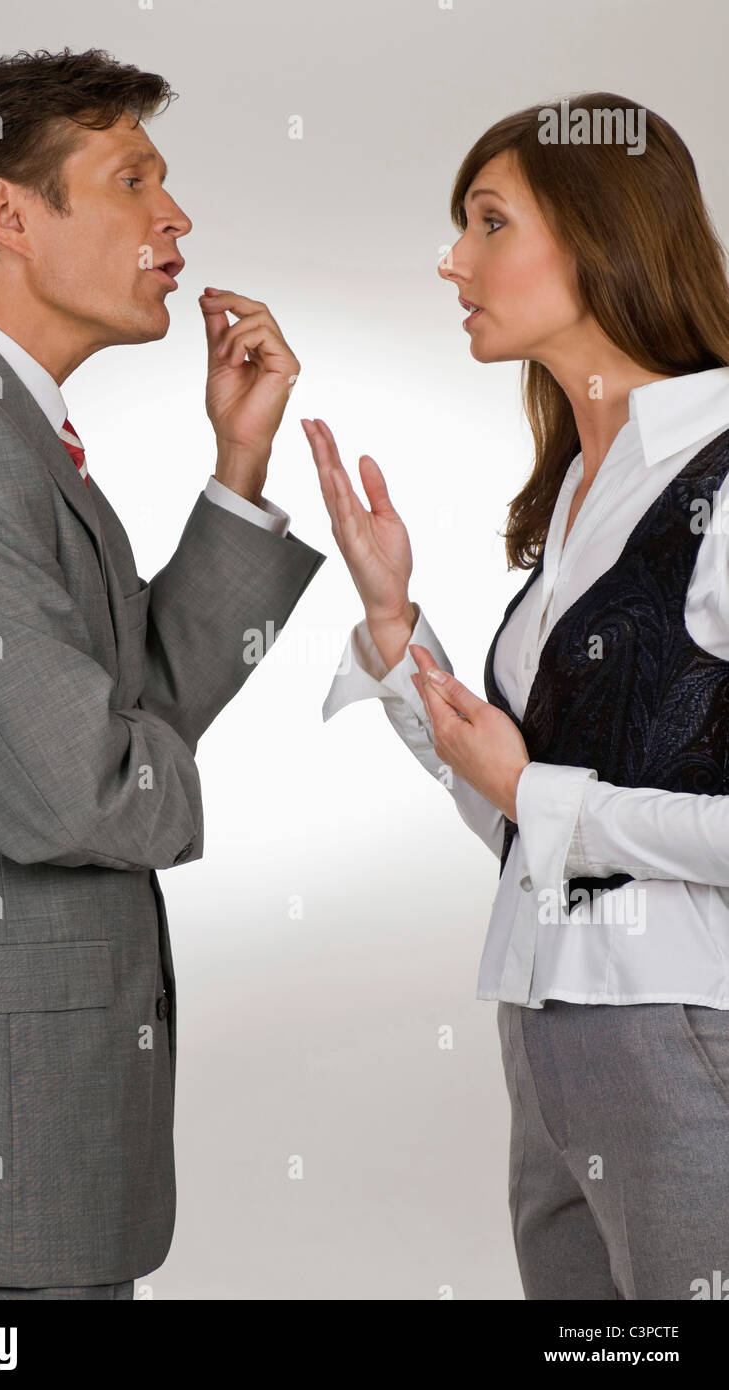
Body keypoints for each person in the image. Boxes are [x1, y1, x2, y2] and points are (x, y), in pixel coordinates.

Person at [0, 47, 325, 1299]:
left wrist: (238, 470)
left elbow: (126, 725)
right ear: (5, 216)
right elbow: (75, 792)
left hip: (30, 1157)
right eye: (133, 180)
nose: (174, 219)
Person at [305, 91, 729, 1301]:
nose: (452, 260)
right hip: (545, 1029)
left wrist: (543, 796)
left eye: (488, 222)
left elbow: (542, 800)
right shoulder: (581, 491)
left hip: (678, 1026)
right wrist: (396, 627)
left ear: (600, 233)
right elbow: (515, 824)